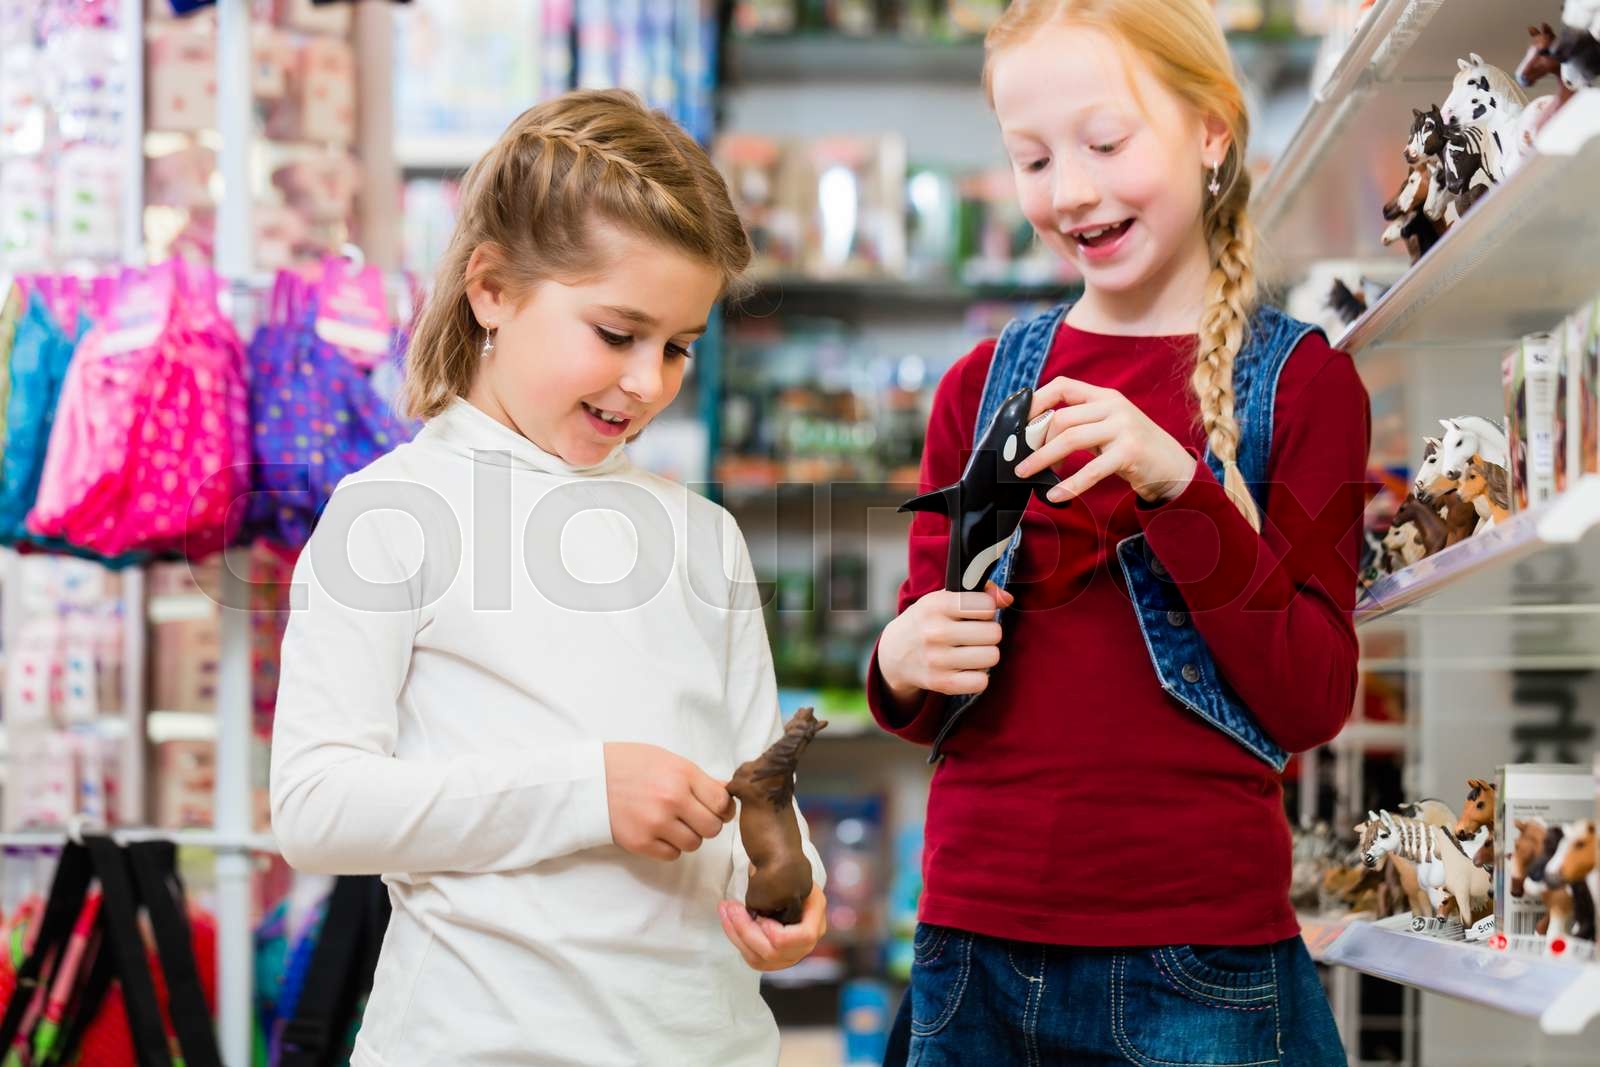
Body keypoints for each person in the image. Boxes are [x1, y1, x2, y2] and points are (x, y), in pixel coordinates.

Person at [270, 89, 827, 1067]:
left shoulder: (703, 537)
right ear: (491, 288)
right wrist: (584, 791)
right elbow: (315, 806)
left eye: (679, 347)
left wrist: (793, 883)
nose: (649, 380)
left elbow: (753, 788)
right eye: (617, 334)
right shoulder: (391, 514)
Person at [870, 2, 1369, 1063]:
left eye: (1106, 143)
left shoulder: (1301, 386)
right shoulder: (979, 387)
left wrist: (1177, 486)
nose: (1073, 191)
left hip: (1199, 955)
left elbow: (1313, 694)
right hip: (973, 944)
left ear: (1209, 130)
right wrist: (899, 658)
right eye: (1033, 158)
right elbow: (929, 669)